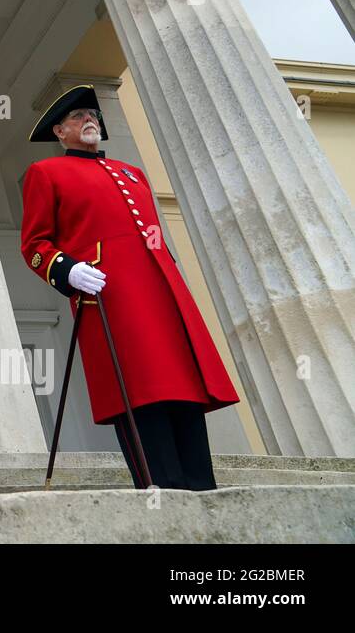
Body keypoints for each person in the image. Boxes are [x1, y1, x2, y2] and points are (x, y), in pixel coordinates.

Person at [20, 84, 238, 489]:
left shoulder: (130, 173)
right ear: (59, 132)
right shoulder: (46, 173)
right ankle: (162, 497)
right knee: (139, 393)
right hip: (111, 299)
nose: (90, 121)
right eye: (78, 117)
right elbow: (34, 245)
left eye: (93, 115)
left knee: (183, 391)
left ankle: (203, 490)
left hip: (162, 296)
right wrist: (66, 270)